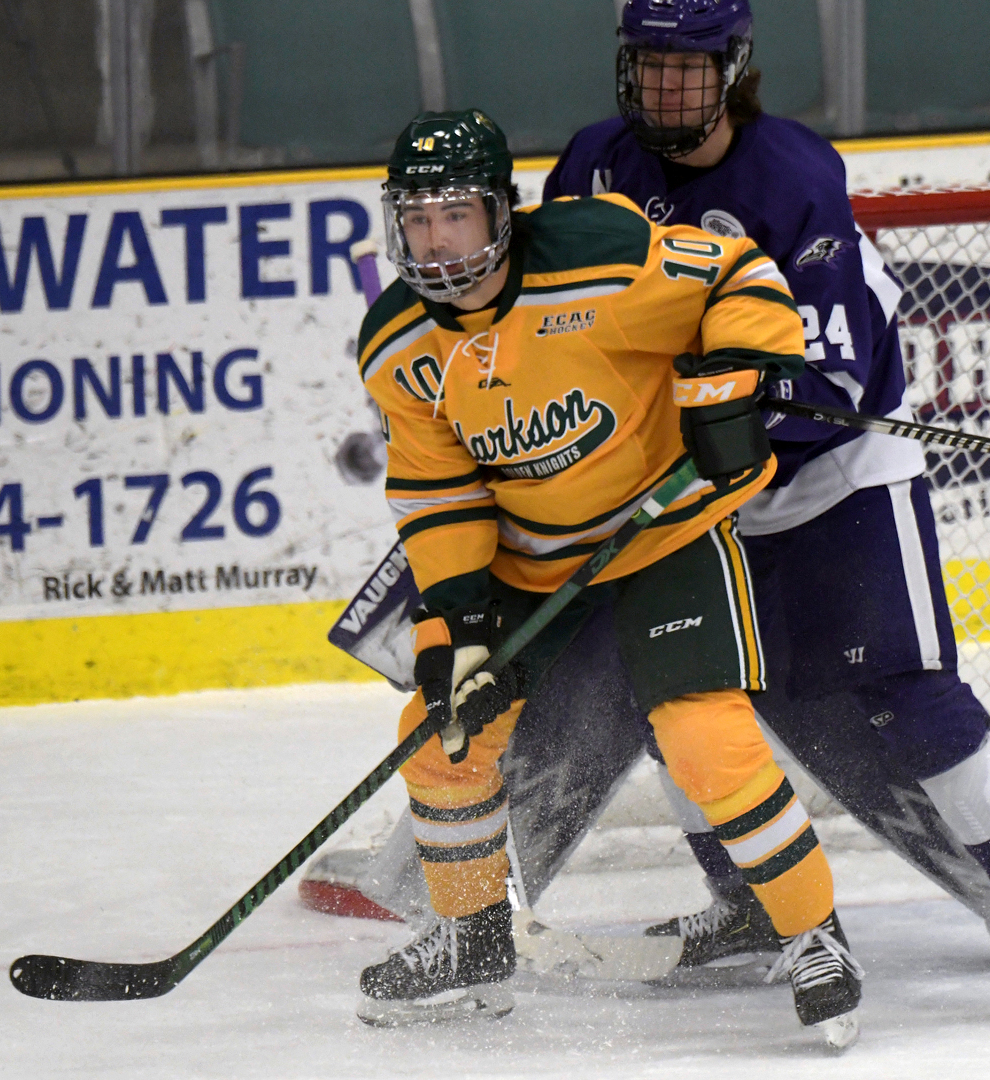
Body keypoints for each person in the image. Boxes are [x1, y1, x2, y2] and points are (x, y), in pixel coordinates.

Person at [351, 107, 864, 1048]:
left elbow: (739, 274)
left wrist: (739, 373)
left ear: (503, 213)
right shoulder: (395, 347)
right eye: (416, 220)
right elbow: (441, 492)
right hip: (524, 560)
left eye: (454, 216)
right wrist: (460, 626)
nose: (433, 242)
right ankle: (471, 937)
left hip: (662, 527)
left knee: (704, 737)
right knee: (442, 733)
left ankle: (813, 934)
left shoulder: (602, 255)